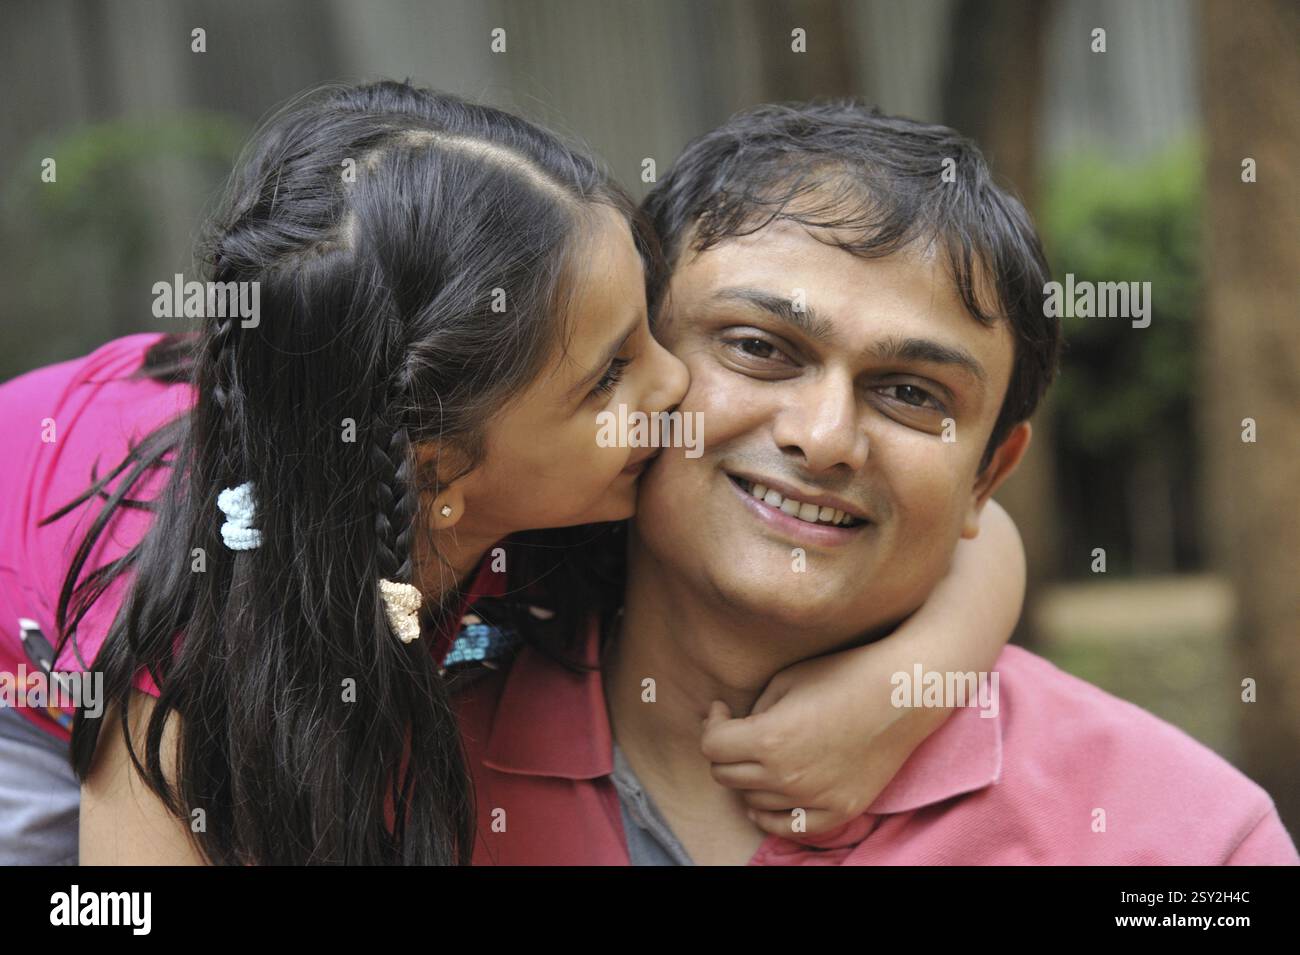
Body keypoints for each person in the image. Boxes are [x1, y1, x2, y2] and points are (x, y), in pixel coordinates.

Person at [0, 82, 1026, 865]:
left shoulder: (555, 460)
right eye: (613, 372)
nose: (679, 387)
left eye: (648, 324)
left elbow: (969, 523)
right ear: (440, 464)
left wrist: (894, 695)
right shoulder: (207, 613)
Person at [451, 101, 1300, 866]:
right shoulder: (398, 745)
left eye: (911, 393)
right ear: (634, 362)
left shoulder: (1191, 843)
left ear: (988, 477)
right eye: (757, 346)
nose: (823, 439)